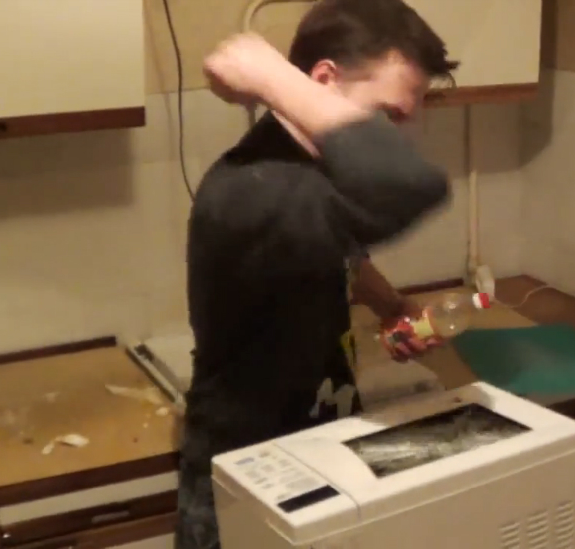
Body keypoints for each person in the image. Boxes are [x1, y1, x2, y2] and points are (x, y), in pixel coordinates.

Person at [179, 0, 458, 547]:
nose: (396, 135)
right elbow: (410, 185)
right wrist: (273, 78)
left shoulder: (308, 167)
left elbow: (338, 247)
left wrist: (390, 305)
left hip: (312, 441)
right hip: (249, 475)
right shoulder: (257, 188)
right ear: (323, 80)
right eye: (387, 115)